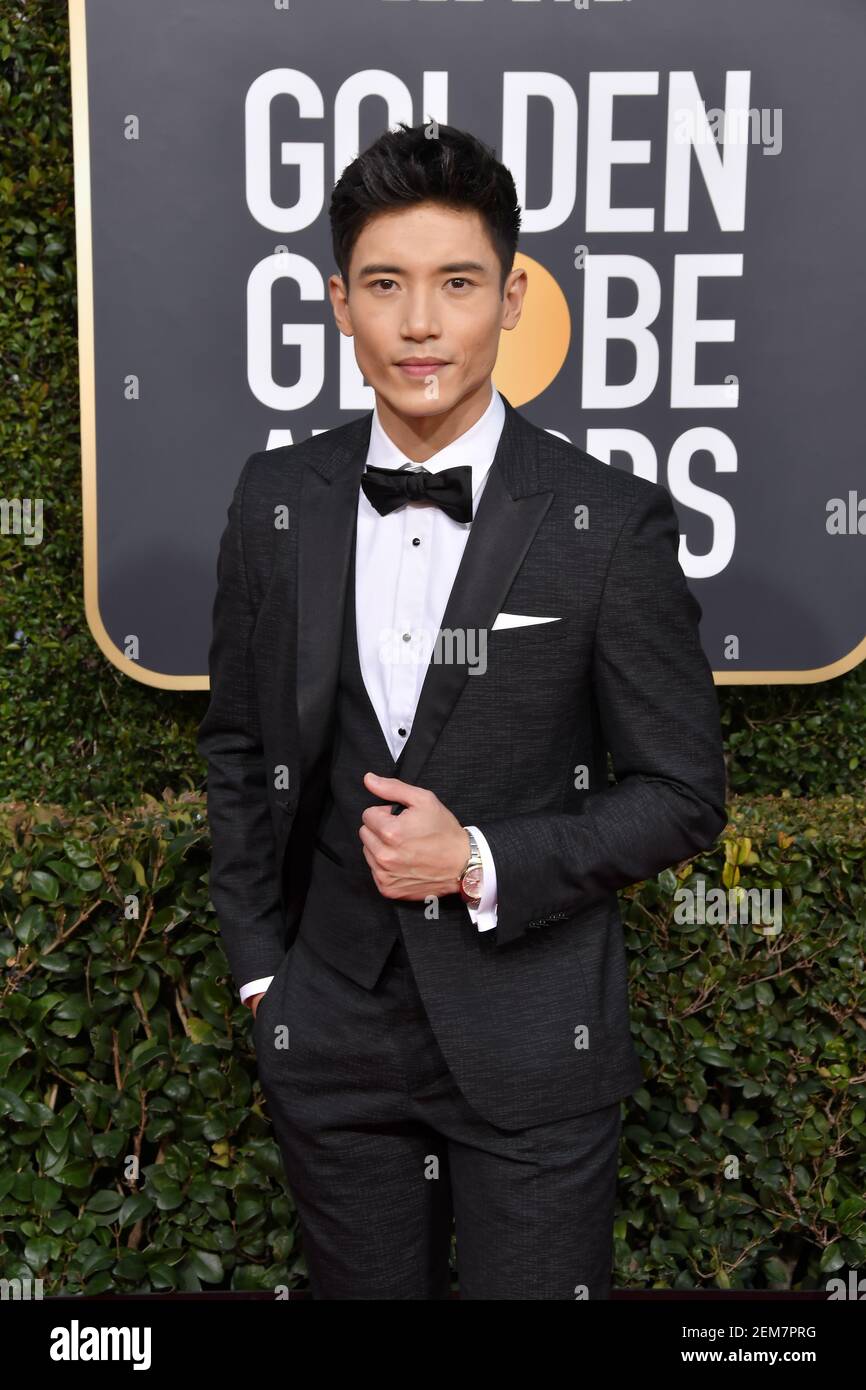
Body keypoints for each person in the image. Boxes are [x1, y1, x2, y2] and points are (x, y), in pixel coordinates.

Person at [196, 121, 728, 1300]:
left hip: (533, 1039)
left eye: (457, 283)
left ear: (512, 297)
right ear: (340, 303)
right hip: (329, 1029)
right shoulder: (275, 497)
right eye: (385, 285)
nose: (420, 323)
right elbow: (238, 745)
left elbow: (682, 794)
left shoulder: (607, 524)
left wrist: (478, 858)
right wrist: (262, 976)